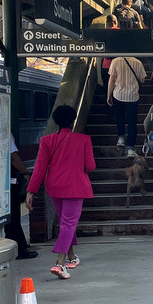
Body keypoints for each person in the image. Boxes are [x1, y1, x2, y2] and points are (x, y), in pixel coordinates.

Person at [25, 105, 96, 280]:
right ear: (73, 121)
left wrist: (30, 191)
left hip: (54, 187)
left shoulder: (46, 141)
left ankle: (72, 257)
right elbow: (90, 166)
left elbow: (40, 168)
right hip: (76, 186)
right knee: (69, 224)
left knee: (65, 223)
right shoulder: (83, 140)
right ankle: (59, 263)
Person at [7, 134, 38, 259]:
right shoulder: (5, 133)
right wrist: (25, 173)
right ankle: (19, 248)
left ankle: (18, 245)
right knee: (13, 217)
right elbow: (13, 157)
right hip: (8, 182)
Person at [107, 55, 147, 154]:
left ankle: (120, 138)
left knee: (120, 116)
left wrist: (109, 95)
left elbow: (112, 80)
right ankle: (130, 148)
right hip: (132, 96)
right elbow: (142, 79)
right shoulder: (138, 62)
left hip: (118, 95)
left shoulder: (115, 61)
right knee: (132, 121)